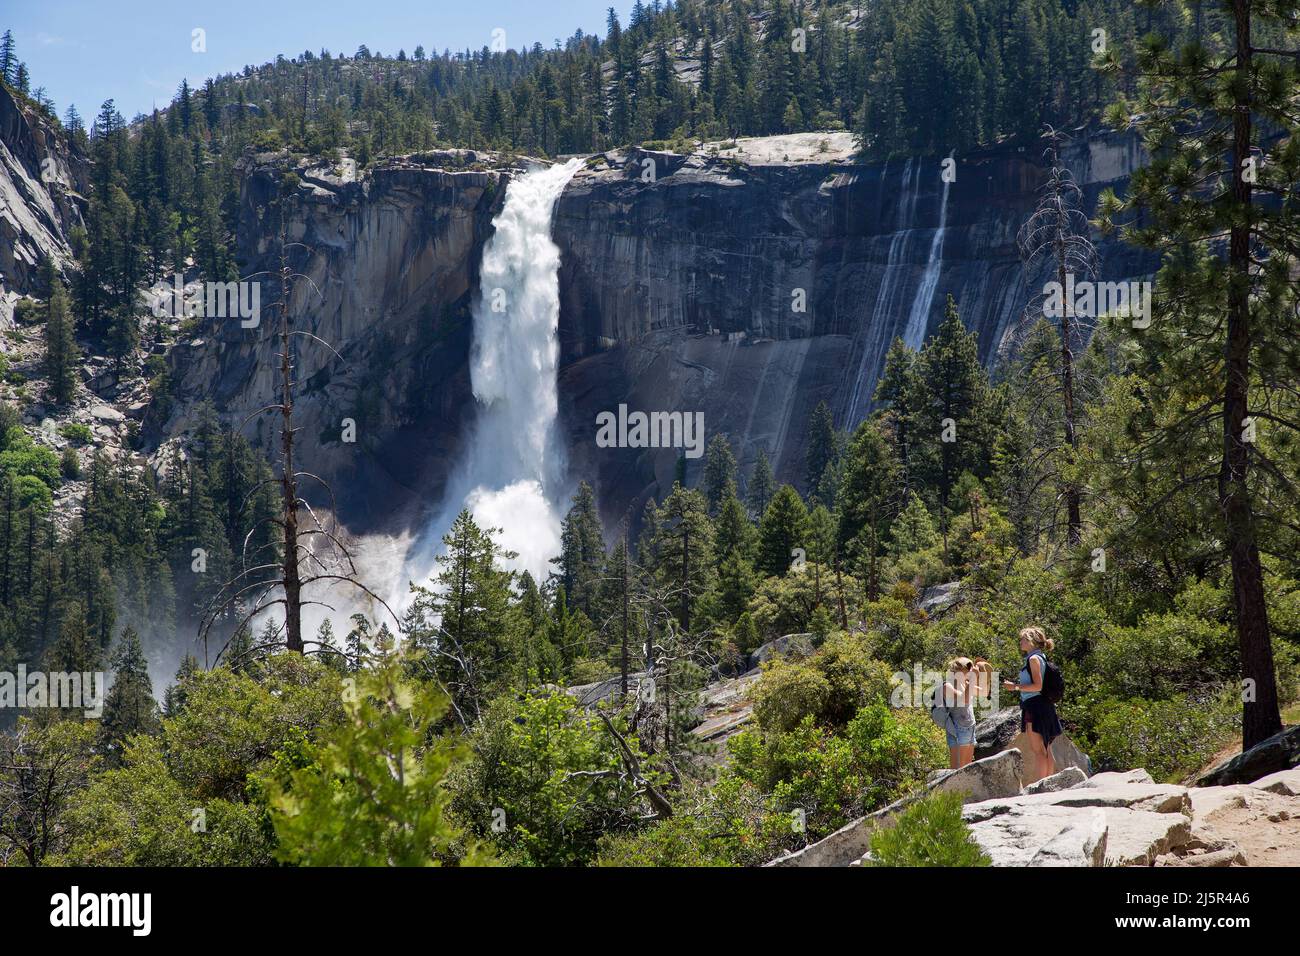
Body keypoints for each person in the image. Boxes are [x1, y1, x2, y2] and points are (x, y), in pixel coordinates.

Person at [1002, 626, 1061, 784]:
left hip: (1035, 706)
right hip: (1044, 705)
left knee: (1038, 749)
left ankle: (1041, 785)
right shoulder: (1041, 657)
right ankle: (1048, 782)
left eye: (1023, 639)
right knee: (1046, 747)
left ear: (1031, 641)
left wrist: (1014, 687)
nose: (1020, 642)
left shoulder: (1033, 659)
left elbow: (1037, 686)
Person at [933, 657, 978, 769]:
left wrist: (984, 672)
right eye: (967, 667)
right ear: (957, 670)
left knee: (968, 768)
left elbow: (985, 692)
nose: (969, 670)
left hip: (970, 727)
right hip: (957, 729)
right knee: (957, 769)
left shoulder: (965, 684)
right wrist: (973, 678)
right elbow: (965, 700)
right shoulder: (947, 686)